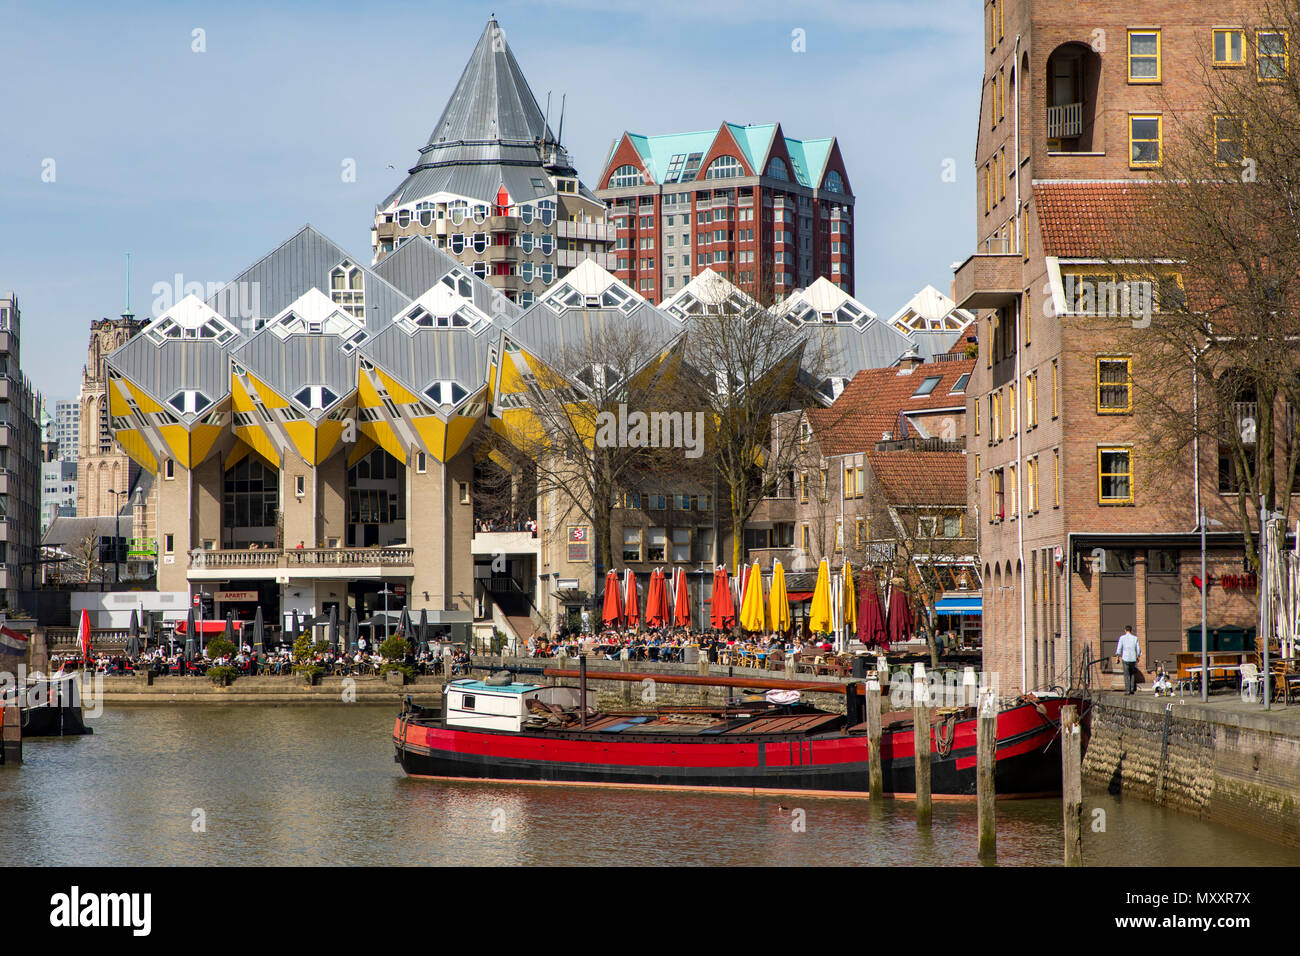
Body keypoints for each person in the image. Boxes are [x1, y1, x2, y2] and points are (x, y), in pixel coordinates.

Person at [1116, 625, 1142, 695]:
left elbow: (1119, 648)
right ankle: (1132, 689)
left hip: (1125, 658)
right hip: (1133, 658)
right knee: (1132, 674)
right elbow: (1138, 648)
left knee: (1126, 674)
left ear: (1125, 630)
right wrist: (1138, 656)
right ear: (1131, 630)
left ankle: (1127, 690)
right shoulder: (1135, 638)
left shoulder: (1122, 638)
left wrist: (1118, 657)